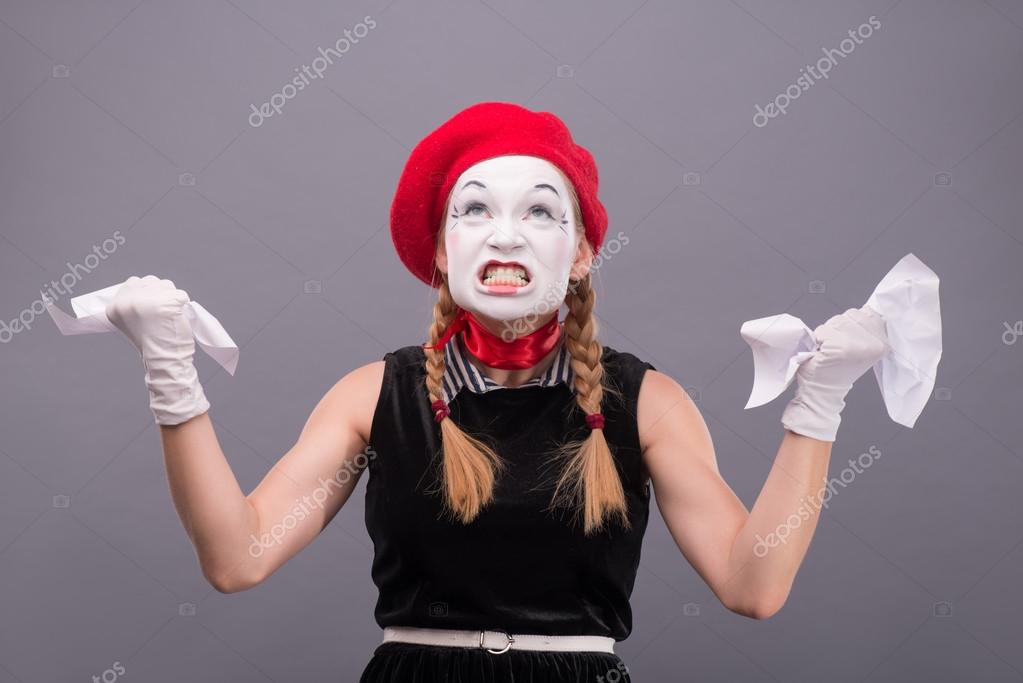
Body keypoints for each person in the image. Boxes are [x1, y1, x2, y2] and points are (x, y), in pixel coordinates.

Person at [104, 102, 888, 682]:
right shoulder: (377, 395)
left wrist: (816, 403)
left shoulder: (642, 401)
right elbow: (238, 557)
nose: (504, 233)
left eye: (539, 211)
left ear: (579, 251)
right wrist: (172, 372)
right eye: (473, 208)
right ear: (442, 250)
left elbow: (752, 586)